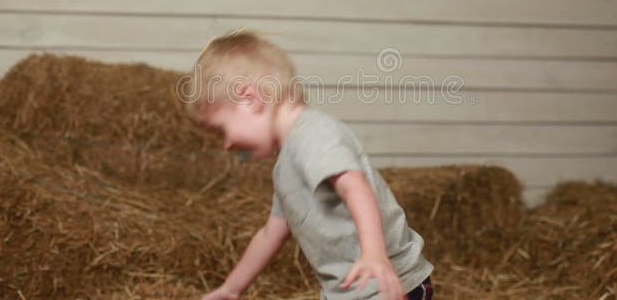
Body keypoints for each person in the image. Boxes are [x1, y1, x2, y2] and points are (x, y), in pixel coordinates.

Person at [185, 29, 433, 300]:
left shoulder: (312, 134)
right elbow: (271, 234)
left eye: (222, 130)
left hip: (387, 282)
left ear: (250, 99)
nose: (226, 144)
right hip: (351, 289)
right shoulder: (287, 163)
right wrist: (231, 289)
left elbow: (355, 188)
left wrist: (374, 253)